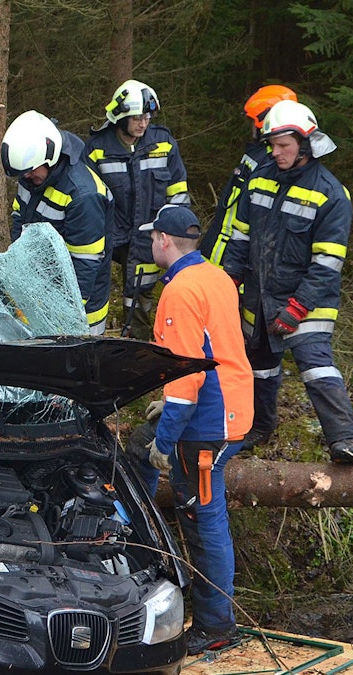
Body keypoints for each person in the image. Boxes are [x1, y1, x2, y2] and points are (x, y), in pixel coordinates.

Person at [138, 204, 252, 656]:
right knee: (207, 518)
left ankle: (216, 625)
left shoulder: (181, 291)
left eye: (152, 239)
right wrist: (164, 410)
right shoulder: (215, 276)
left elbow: (188, 378)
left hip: (205, 424)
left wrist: (165, 441)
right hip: (229, 410)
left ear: (164, 241)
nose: (151, 245)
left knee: (204, 523)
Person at [232, 100, 353, 463]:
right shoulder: (259, 179)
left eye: (283, 145)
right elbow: (240, 238)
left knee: (315, 365)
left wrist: (297, 307)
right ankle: (259, 428)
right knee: (259, 366)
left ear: (305, 144)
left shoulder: (331, 194)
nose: (275, 152)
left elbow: (327, 263)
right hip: (260, 295)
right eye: (271, 145)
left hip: (309, 300)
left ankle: (346, 439)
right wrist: (230, 282)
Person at [83, 79, 189, 340]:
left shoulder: (162, 143)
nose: (143, 123)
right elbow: (87, 197)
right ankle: (94, 342)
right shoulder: (97, 149)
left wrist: (177, 232)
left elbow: (178, 191)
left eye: (147, 117)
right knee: (96, 290)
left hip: (149, 235)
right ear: (120, 117)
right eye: (137, 118)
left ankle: (138, 342)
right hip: (109, 235)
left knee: (141, 292)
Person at [1, 110, 111, 334]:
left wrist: (64, 316)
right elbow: (19, 219)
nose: (27, 179)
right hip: (41, 293)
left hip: (81, 310)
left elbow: (84, 264)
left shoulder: (83, 195)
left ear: (49, 157)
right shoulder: (31, 175)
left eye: (31, 173)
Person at [199, 85, 297, 279]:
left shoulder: (269, 164)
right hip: (222, 258)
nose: (251, 126)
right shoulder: (256, 156)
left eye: (253, 121)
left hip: (233, 263)